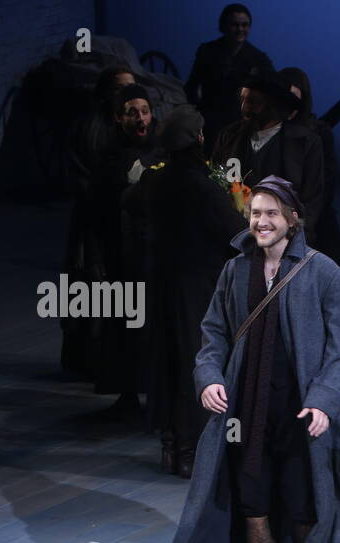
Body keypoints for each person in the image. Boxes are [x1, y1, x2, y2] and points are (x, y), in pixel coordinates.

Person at [162, 176, 340, 543]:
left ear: (293, 219)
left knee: (303, 502)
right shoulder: (236, 271)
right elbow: (213, 333)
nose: (262, 221)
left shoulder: (326, 274)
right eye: (256, 213)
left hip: (301, 415)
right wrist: (209, 377)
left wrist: (324, 402)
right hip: (247, 412)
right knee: (253, 500)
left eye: (272, 213)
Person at [124, 105, 244, 477]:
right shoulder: (203, 186)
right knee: (197, 361)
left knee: (169, 362)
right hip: (196, 289)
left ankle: (172, 446)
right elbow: (234, 234)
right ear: (197, 139)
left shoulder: (156, 181)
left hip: (162, 285)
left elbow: (129, 203)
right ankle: (191, 450)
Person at [85, 83, 159, 421]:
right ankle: (127, 392)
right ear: (119, 118)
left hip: (152, 253)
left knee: (153, 325)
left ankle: (157, 394)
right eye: (132, 113)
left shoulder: (161, 152)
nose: (140, 118)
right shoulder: (108, 158)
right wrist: (95, 256)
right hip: (119, 253)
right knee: (122, 324)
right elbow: (94, 211)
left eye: (144, 111)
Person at [62, 63, 136, 378]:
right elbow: (80, 173)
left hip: (120, 218)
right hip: (93, 217)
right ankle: (84, 359)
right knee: (87, 284)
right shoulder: (91, 127)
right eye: (120, 87)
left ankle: (107, 359)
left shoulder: (128, 125)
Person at [212, 71, 327, 231]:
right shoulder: (229, 136)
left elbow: (311, 202)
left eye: (252, 101)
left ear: (272, 104)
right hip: (230, 234)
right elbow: (214, 184)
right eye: (243, 99)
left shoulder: (305, 143)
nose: (244, 107)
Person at [277, 66, 340, 264]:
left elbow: (326, 183)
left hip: (316, 222)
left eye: (294, 98)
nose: (288, 105)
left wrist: (304, 226)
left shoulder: (319, 132)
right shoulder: (271, 131)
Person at [184, 3, 275, 146]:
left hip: (241, 123)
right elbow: (192, 85)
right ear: (224, 26)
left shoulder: (258, 59)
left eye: (244, 25)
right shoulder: (207, 51)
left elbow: (272, 88)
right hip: (209, 120)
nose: (240, 29)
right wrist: (197, 113)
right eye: (235, 25)